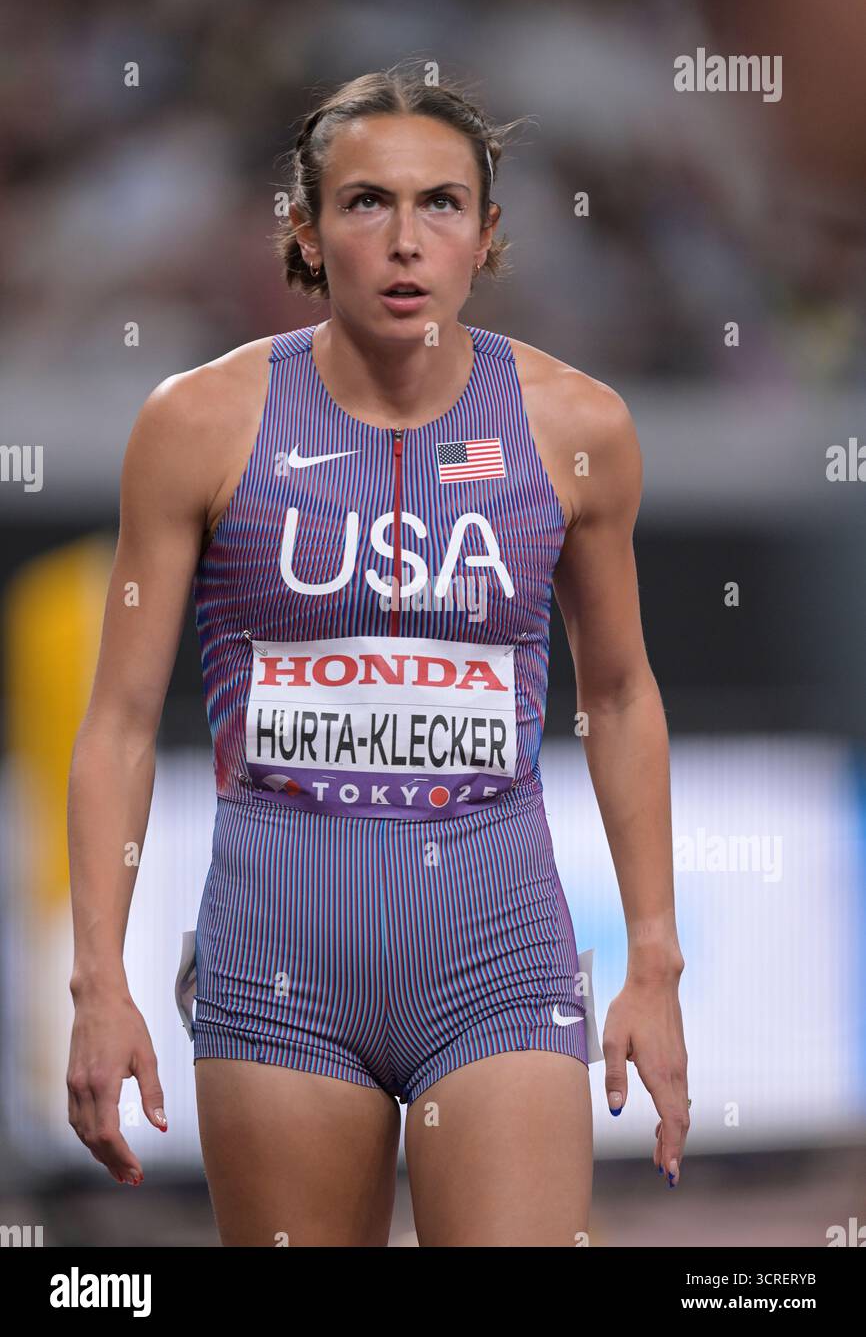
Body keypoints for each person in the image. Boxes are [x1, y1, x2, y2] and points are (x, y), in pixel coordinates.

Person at [66, 64, 689, 1247]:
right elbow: (118, 723)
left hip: (497, 963)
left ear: (486, 234)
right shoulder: (197, 423)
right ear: (304, 230)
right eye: (365, 204)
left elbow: (615, 692)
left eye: (440, 205)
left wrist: (651, 962)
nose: (405, 242)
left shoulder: (575, 429)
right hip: (277, 973)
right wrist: (100, 982)